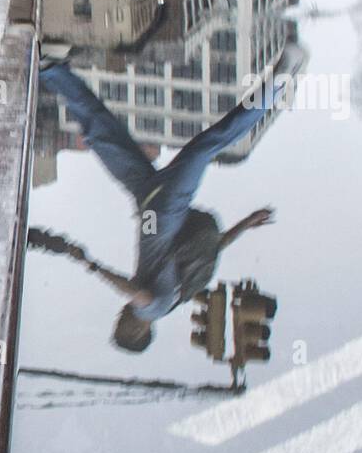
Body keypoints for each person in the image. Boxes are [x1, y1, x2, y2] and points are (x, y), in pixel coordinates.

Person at [34, 59, 278, 353]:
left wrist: (247, 223)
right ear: (138, 332)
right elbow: (138, 294)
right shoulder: (152, 310)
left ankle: (53, 72)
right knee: (205, 147)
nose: (119, 317)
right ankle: (274, 89)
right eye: (120, 326)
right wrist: (91, 266)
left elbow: (215, 246)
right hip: (163, 211)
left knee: (102, 134)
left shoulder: (176, 296)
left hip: (146, 199)